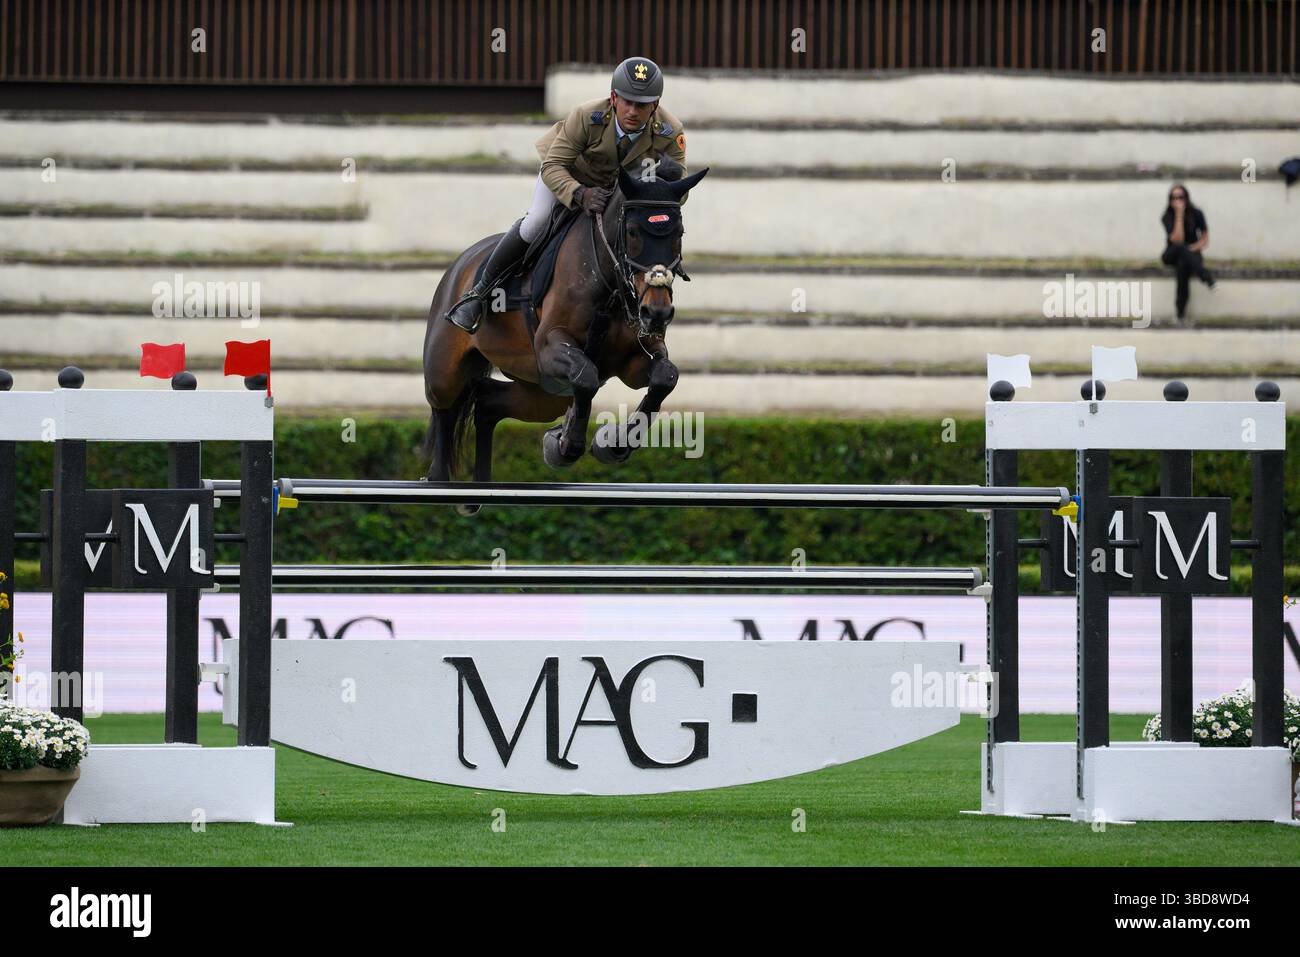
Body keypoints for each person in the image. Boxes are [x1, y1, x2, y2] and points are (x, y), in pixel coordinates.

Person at [445, 56, 688, 333]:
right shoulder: (587, 117)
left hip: (621, 194)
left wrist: (663, 190)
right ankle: (478, 293)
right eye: (627, 102)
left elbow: (676, 197)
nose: (632, 111)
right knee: (536, 221)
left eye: (642, 105)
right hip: (568, 176)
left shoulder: (670, 132)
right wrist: (579, 194)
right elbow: (552, 166)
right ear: (613, 98)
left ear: (655, 105)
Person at [1160, 183, 1216, 322]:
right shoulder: (1167, 216)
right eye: (1173, 198)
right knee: (1180, 248)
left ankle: (1180, 313)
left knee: (1183, 265)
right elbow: (1177, 240)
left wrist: (1191, 249)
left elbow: (1205, 239)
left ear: (1186, 198)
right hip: (1172, 252)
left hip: (1191, 253)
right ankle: (1205, 276)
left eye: (1180, 197)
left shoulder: (1197, 213)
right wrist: (1179, 214)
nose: (1177, 201)